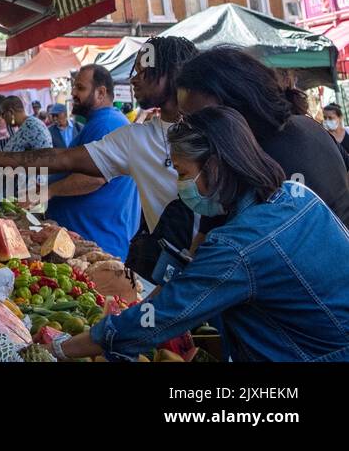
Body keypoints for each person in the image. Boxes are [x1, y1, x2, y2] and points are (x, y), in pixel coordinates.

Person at [55, 105, 349, 361]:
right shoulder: (296, 193)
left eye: (182, 173)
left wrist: (62, 348)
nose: (181, 185)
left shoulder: (237, 246)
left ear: (214, 167)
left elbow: (162, 316)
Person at [0, 38, 195, 267]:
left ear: (171, 73)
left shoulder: (213, 131)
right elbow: (64, 159)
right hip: (172, 268)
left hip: (110, 240)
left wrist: (48, 191)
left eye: (144, 71)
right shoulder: (136, 137)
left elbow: (91, 176)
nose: (133, 78)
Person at [174, 47, 349, 227]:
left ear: (233, 104)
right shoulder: (306, 125)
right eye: (184, 120)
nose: (191, 129)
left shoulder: (255, 164)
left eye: (198, 118)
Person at [37, 64, 140, 257]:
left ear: (101, 93)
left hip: (95, 242)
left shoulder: (107, 124)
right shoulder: (101, 122)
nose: (73, 93)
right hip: (83, 237)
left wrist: (49, 191)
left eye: (81, 88)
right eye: (74, 87)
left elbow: (95, 178)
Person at [324, 103, 349, 169]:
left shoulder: (348, 132)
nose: (327, 121)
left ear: (340, 118)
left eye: (330, 118)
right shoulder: (324, 137)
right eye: (325, 118)